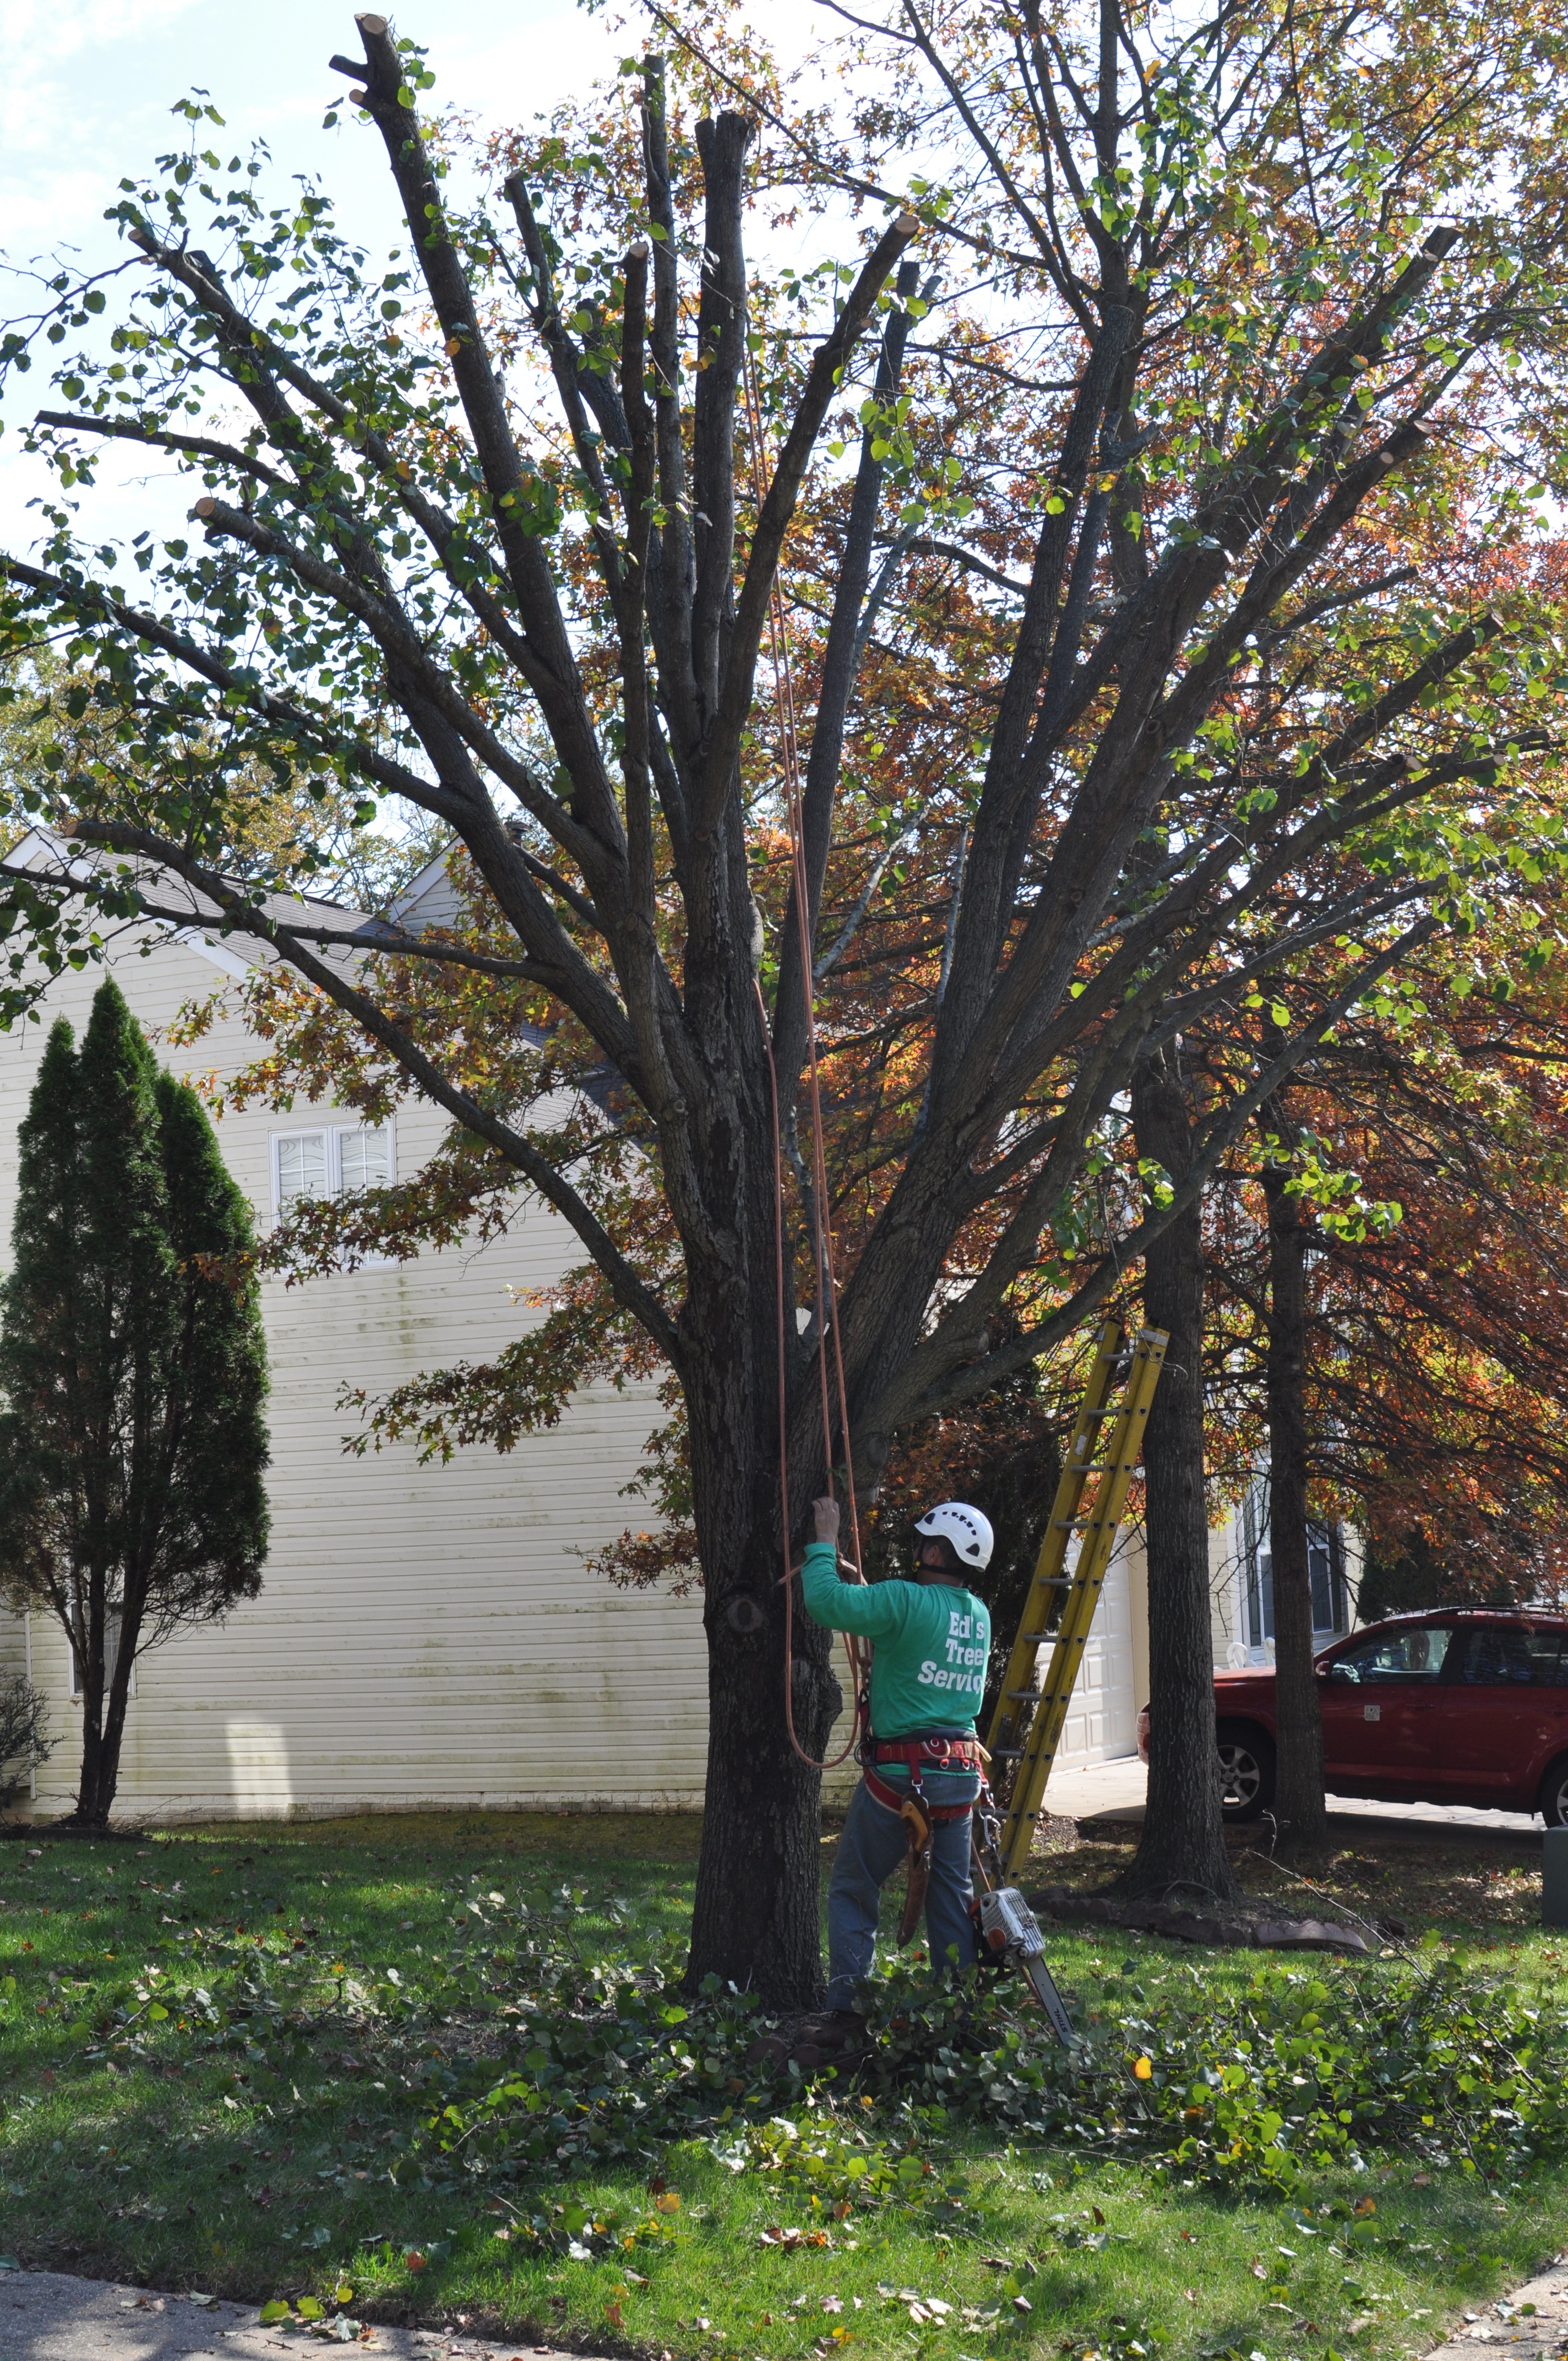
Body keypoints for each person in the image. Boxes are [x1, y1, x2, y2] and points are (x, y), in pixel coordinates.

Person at [802, 1493, 994, 2019]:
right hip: (958, 1778)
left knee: (853, 1889)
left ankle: (847, 2009)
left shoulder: (904, 1601)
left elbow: (824, 1603)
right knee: (951, 1898)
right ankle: (956, 2014)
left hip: (902, 1779)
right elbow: (907, 1640)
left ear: (935, 1554)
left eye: (925, 1545)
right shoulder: (978, 1616)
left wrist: (824, 1541)